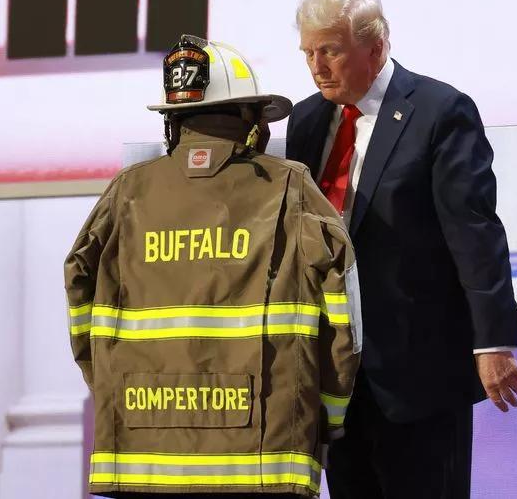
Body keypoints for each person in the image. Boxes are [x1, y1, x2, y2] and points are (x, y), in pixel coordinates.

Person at [64, 35, 361, 498]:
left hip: (142, 455)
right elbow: (344, 320)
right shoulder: (292, 187)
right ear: (248, 119)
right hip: (267, 456)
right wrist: (329, 414)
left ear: (173, 122)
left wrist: (110, 383)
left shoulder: (125, 193)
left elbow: (78, 288)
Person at [286, 0, 517, 498]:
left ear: (375, 47)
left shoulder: (440, 111)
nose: (316, 65)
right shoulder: (307, 120)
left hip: (419, 373)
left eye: (329, 50)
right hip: (335, 375)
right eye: (308, 52)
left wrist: (492, 341)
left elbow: (475, 231)